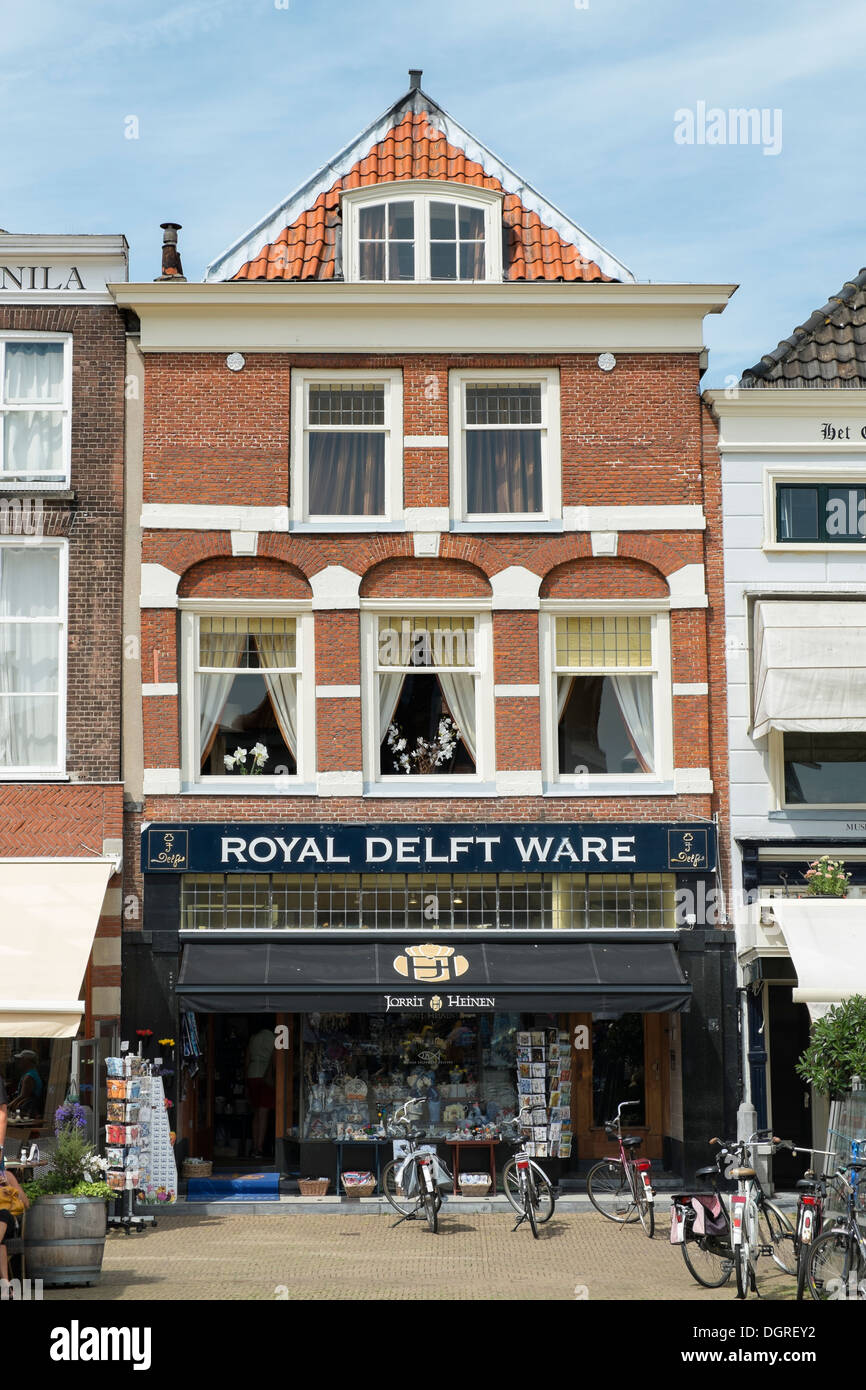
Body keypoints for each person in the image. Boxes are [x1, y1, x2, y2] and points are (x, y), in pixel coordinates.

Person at [246, 1026, 275, 1160]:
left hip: (252, 1074)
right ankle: (259, 1148)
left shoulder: (253, 1037)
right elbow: (274, 1059)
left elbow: (247, 1058)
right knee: (263, 1113)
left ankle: (253, 1146)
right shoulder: (274, 1038)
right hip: (265, 1074)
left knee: (256, 1112)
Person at [0, 1165, 28, 1285]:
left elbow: (26, 1203)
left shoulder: (7, 1176)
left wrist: (8, 1186)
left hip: (7, 1222)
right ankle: (5, 1285)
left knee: (3, 1213)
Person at [8, 1051, 43, 1119]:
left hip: (28, 1110)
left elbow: (23, 1095)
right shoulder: (32, 1073)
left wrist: (9, 1105)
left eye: (21, 1060)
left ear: (27, 1061)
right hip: (30, 1109)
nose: (18, 1062)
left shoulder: (29, 1077)